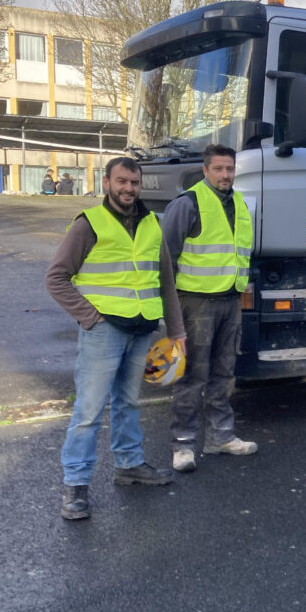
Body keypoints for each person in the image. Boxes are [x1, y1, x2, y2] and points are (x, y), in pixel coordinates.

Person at [45, 157, 186, 521]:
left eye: (134, 183)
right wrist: (91, 317)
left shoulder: (154, 224)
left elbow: (165, 282)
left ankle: (129, 466)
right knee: (88, 412)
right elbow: (56, 277)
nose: (128, 189)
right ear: (106, 182)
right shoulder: (88, 224)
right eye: (121, 181)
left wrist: (177, 331)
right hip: (103, 332)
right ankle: (75, 486)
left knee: (128, 403)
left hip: (141, 330)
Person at [160, 144, 256, 473]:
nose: (225, 175)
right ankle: (183, 445)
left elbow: (240, 254)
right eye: (218, 169)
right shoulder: (187, 204)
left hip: (230, 301)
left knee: (224, 373)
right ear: (205, 171)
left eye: (229, 169)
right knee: (191, 376)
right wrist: (169, 314)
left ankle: (220, 437)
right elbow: (165, 260)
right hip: (195, 302)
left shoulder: (240, 203)